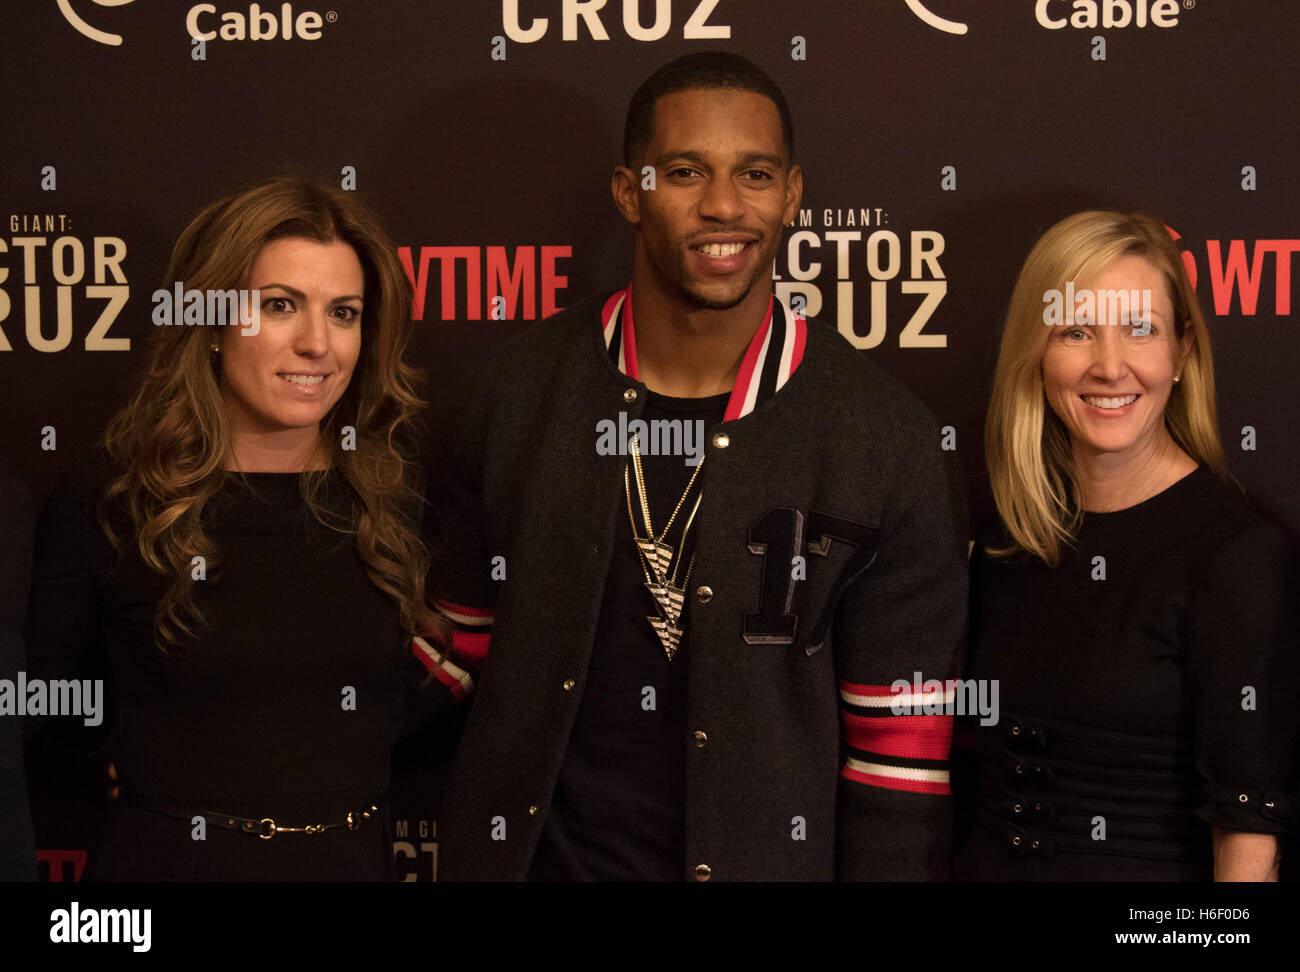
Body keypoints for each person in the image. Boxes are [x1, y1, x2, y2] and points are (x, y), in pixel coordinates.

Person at [429, 52, 967, 881]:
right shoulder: (513, 398)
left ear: (792, 194)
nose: (723, 205)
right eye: (685, 172)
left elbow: (899, 750)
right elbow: (454, 657)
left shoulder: (885, 440)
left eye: (754, 174)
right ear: (628, 191)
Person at [23, 176, 456, 880]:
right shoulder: (112, 497)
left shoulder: (396, 495)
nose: (318, 343)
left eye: (343, 312)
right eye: (280, 306)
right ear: (213, 321)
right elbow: (52, 731)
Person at [955, 210, 1298, 881]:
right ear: (1037, 350)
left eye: (1140, 330)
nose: (1110, 367)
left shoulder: (1241, 555)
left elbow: (1248, 832)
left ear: (1183, 351)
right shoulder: (1006, 538)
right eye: (1076, 330)